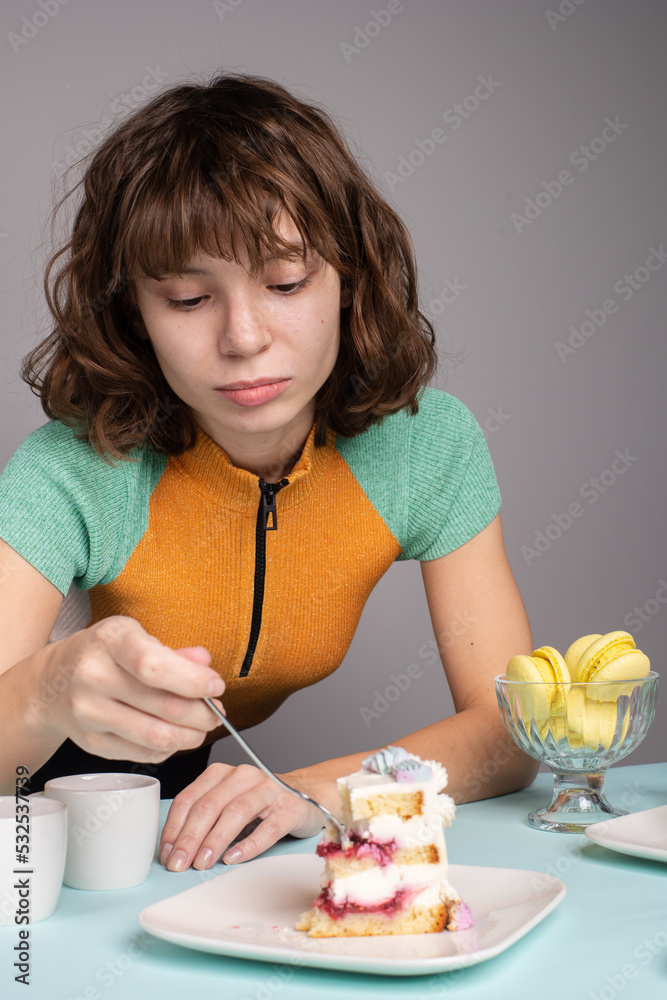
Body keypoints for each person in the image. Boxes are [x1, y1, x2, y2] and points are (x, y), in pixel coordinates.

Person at [0, 72, 536, 874]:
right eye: (187, 298)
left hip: (173, 809)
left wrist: (315, 789)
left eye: (285, 283)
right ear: (132, 314)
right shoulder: (73, 470)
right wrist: (44, 693)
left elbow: (509, 731)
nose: (243, 337)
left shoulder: (428, 447)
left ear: (350, 278)